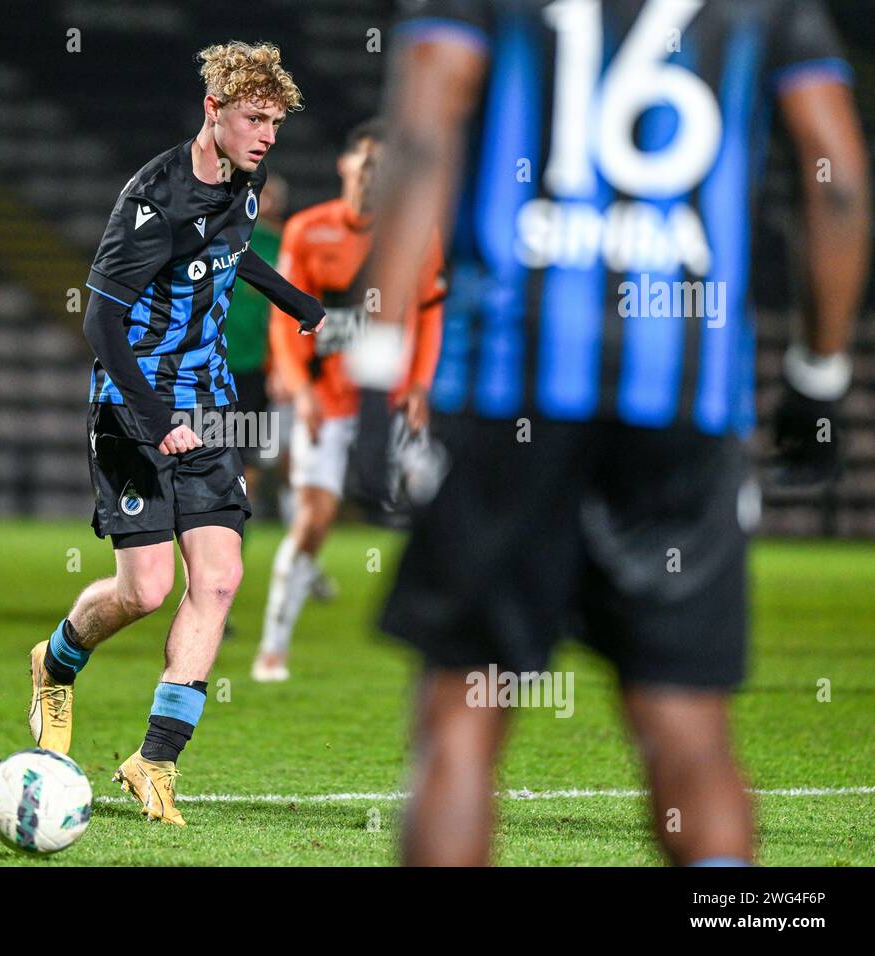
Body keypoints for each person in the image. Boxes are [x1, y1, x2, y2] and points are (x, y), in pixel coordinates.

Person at [358, 0, 870, 865]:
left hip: (509, 385)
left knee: (462, 713)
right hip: (684, 400)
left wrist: (376, 362)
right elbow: (837, 177)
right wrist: (818, 377)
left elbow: (421, 128)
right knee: (687, 722)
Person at [27, 41, 325, 826]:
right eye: (253, 119)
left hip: (213, 407)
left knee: (219, 580)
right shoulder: (152, 201)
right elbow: (100, 320)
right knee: (147, 590)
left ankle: (154, 760)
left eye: (275, 123)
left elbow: (229, 255)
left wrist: (300, 304)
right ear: (212, 113)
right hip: (134, 414)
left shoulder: (243, 179)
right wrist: (157, 425)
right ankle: (54, 666)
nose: (266, 135)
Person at [252, 118, 443, 682]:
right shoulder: (309, 231)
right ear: (345, 165)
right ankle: (273, 646)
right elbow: (283, 319)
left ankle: (442, 646)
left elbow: (431, 313)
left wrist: (422, 384)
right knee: (314, 519)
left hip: (390, 402)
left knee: (443, 509)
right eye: (367, 162)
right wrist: (301, 387)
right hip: (329, 401)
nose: (375, 174)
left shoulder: (415, 234)